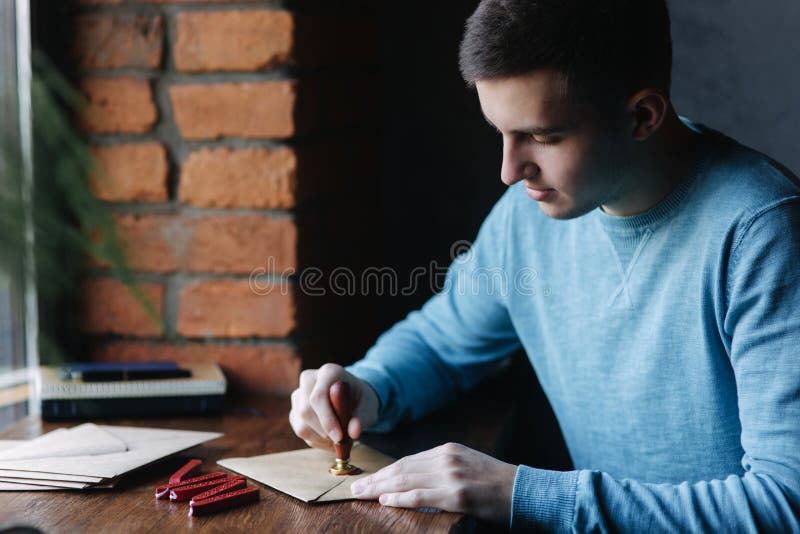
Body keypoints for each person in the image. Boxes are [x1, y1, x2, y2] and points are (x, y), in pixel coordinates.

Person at [289, 0, 800, 531]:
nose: (510, 171)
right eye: (500, 131)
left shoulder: (763, 232)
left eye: (544, 136)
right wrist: (366, 388)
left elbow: (785, 504)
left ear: (643, 116)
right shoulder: (528, 214)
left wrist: (521, 492)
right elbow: (441, 343)